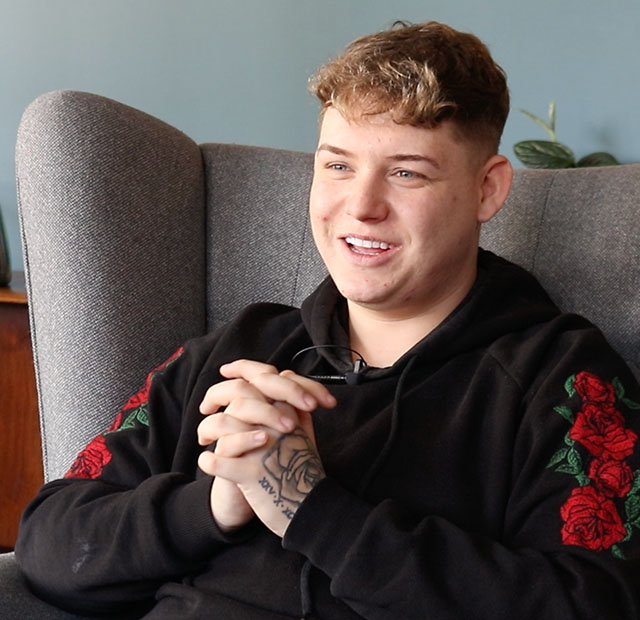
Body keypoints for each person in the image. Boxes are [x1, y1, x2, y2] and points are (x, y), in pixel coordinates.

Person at [15, 20, 640, 620]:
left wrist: (309, 507)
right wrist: (214, 505)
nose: (361, 207)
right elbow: (49, 544)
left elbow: (597, 604)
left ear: (487, 189)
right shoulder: (237, 352)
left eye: (406, 173)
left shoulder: (565, 381)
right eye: (338, 165)